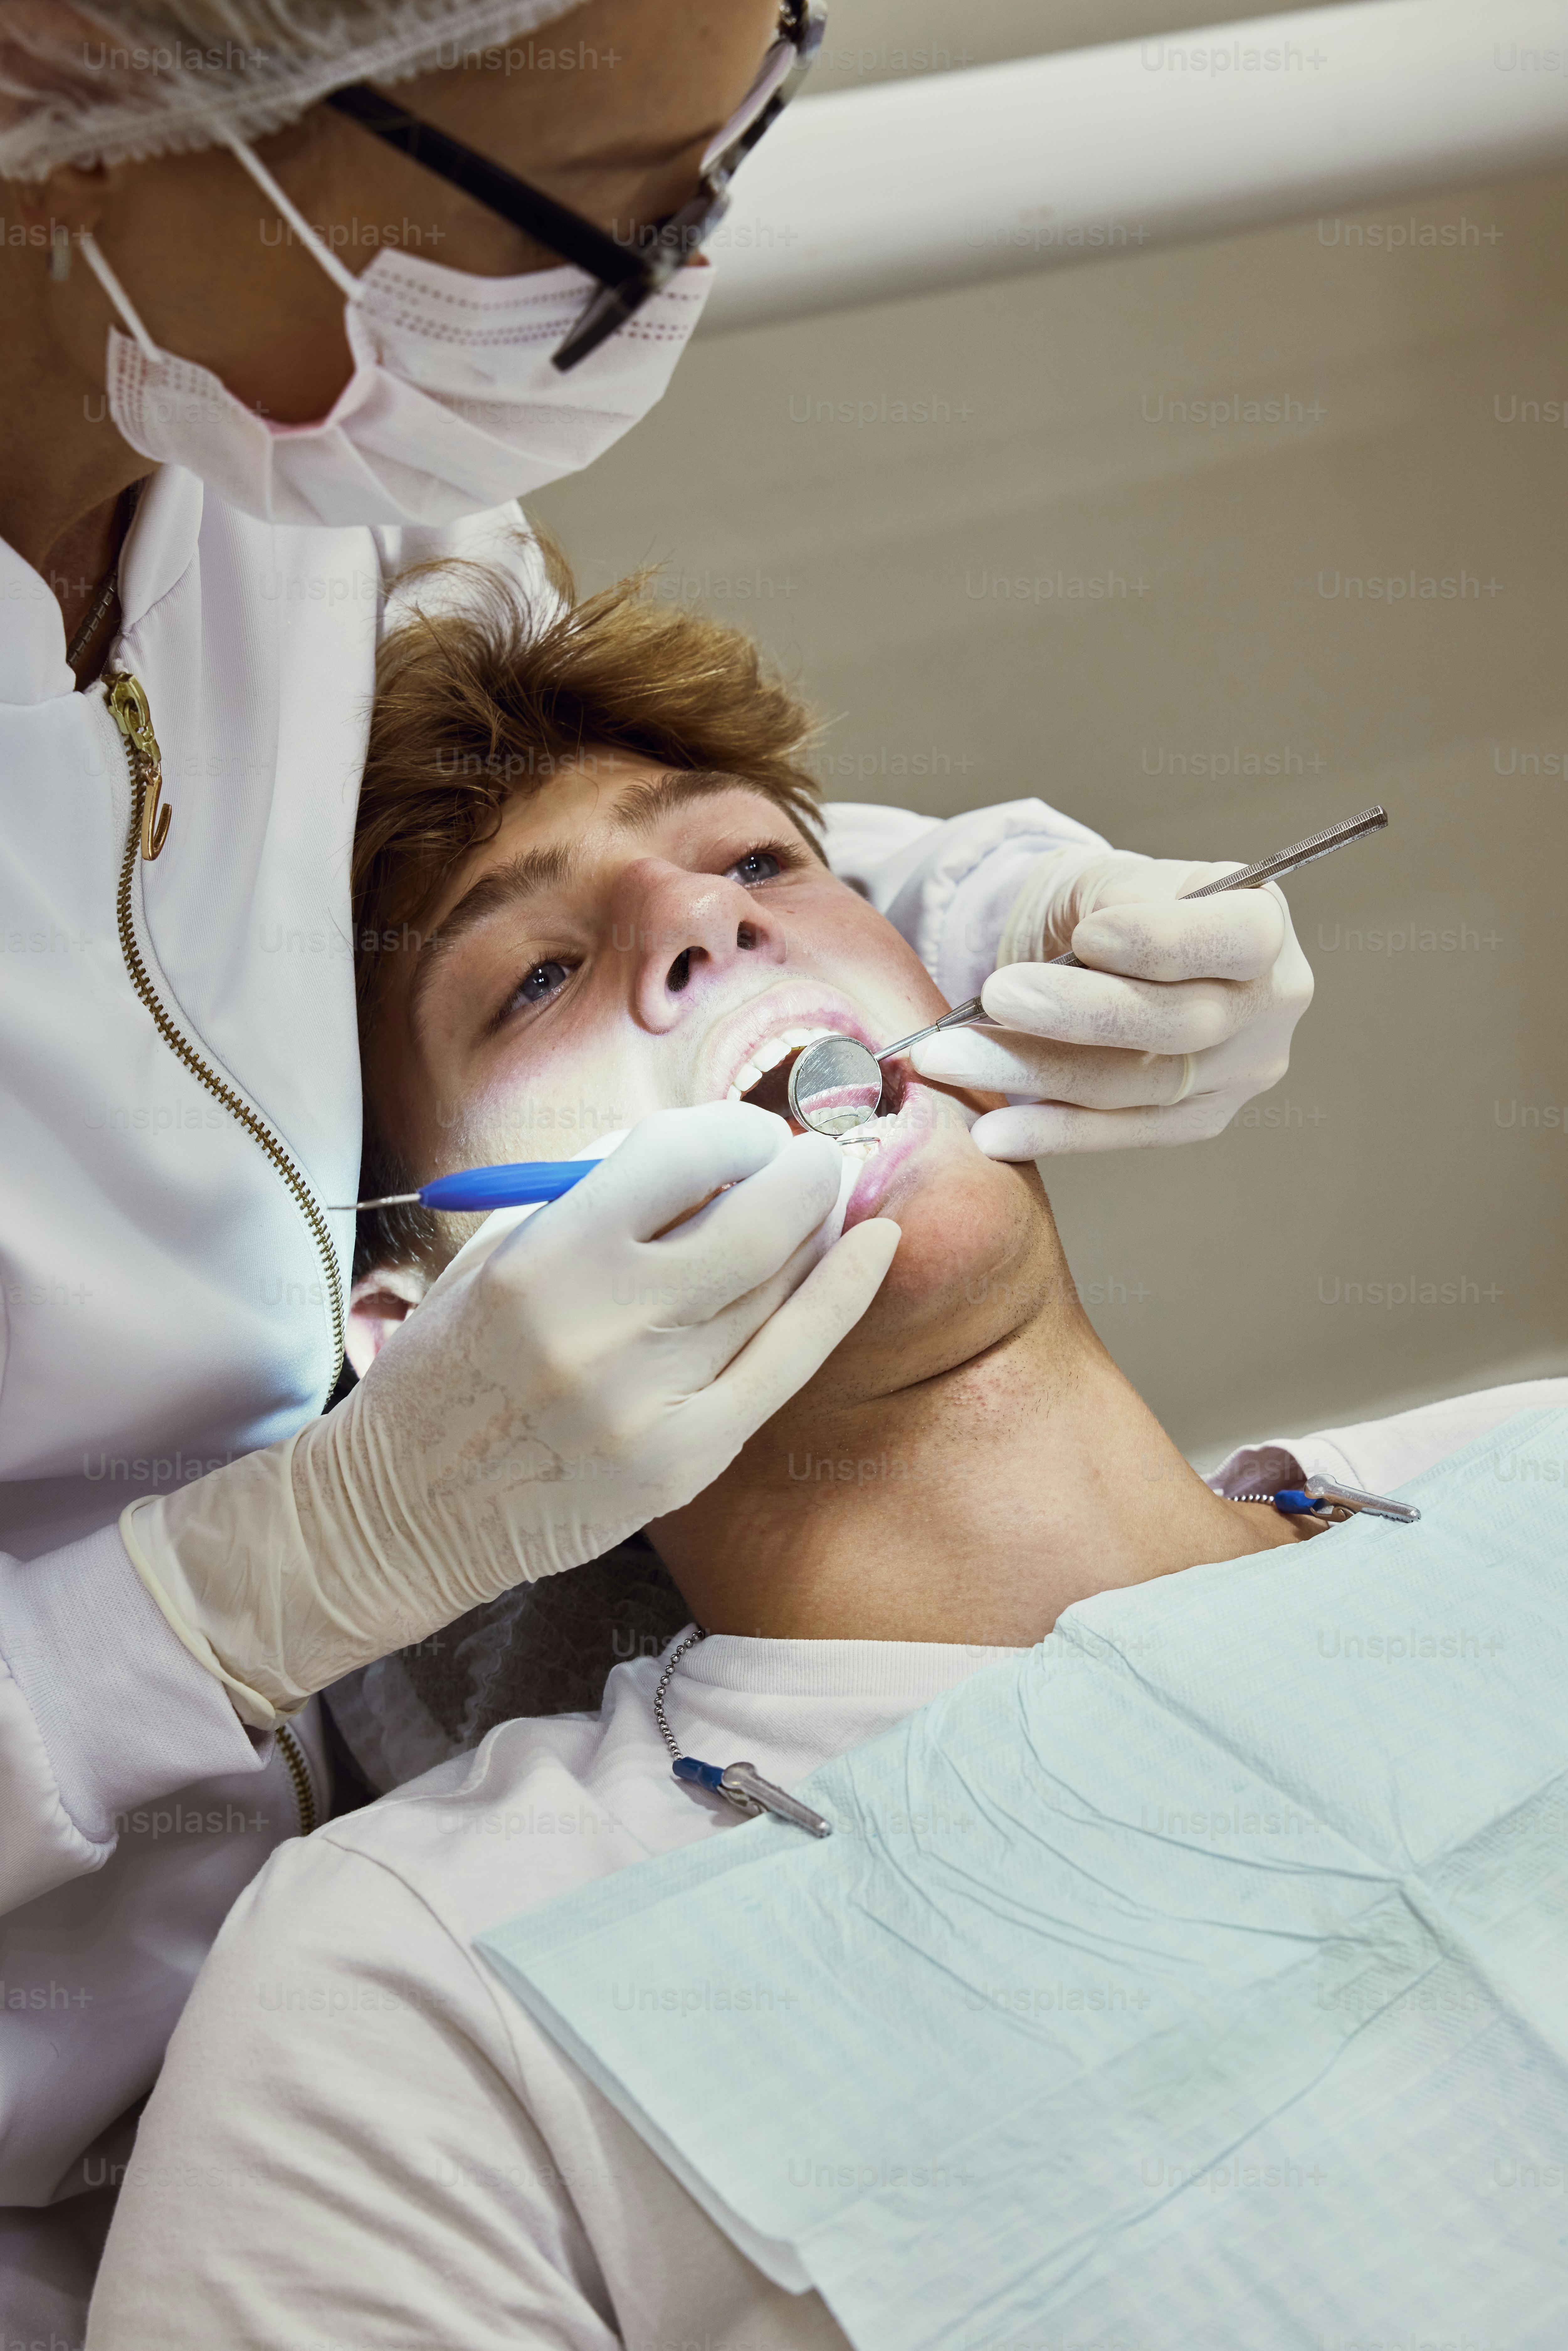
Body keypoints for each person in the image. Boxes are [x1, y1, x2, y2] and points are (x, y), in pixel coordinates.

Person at [0, 0, 1312, 2326]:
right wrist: (242, 1594)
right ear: (74, 100)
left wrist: (978, 896)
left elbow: (502, 765)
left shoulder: (1506, 1497)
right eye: (584, 220)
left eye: (770, 879)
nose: (662, 281)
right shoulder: (416, 2021)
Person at [82, 561, 1557, 2351]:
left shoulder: (1537, 1476)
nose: (700, 916)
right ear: (416, 1325)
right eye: (535, 974)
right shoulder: (410, 1997)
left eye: (764, 861)